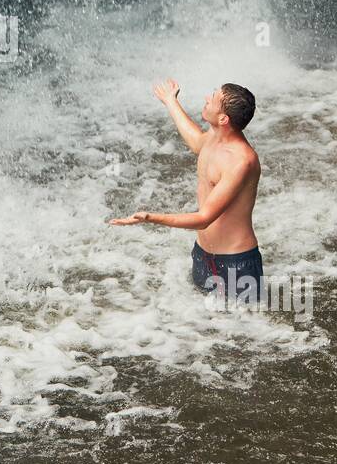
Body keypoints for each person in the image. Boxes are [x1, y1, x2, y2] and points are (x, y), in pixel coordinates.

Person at [110, 80, 263, 301]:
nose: (207, 99)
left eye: (213, 98)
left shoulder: (241, 161)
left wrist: (150, 218)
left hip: (235, 263)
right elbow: (197, 142)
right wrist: (171, 101)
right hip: (203, 255)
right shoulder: (215, 136)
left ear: (223, 119)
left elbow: (204, 218)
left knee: (243, 332)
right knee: (199, 328)